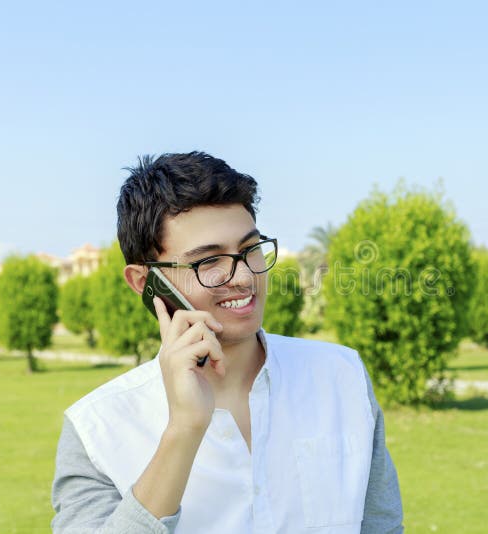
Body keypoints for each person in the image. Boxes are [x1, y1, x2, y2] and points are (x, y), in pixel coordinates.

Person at [50, 151, 403, 533]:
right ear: (144, 282)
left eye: (250, 249)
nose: (244, 277)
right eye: (209, 261)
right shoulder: (97, 429)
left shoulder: (341, 376)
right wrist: (183, 430)